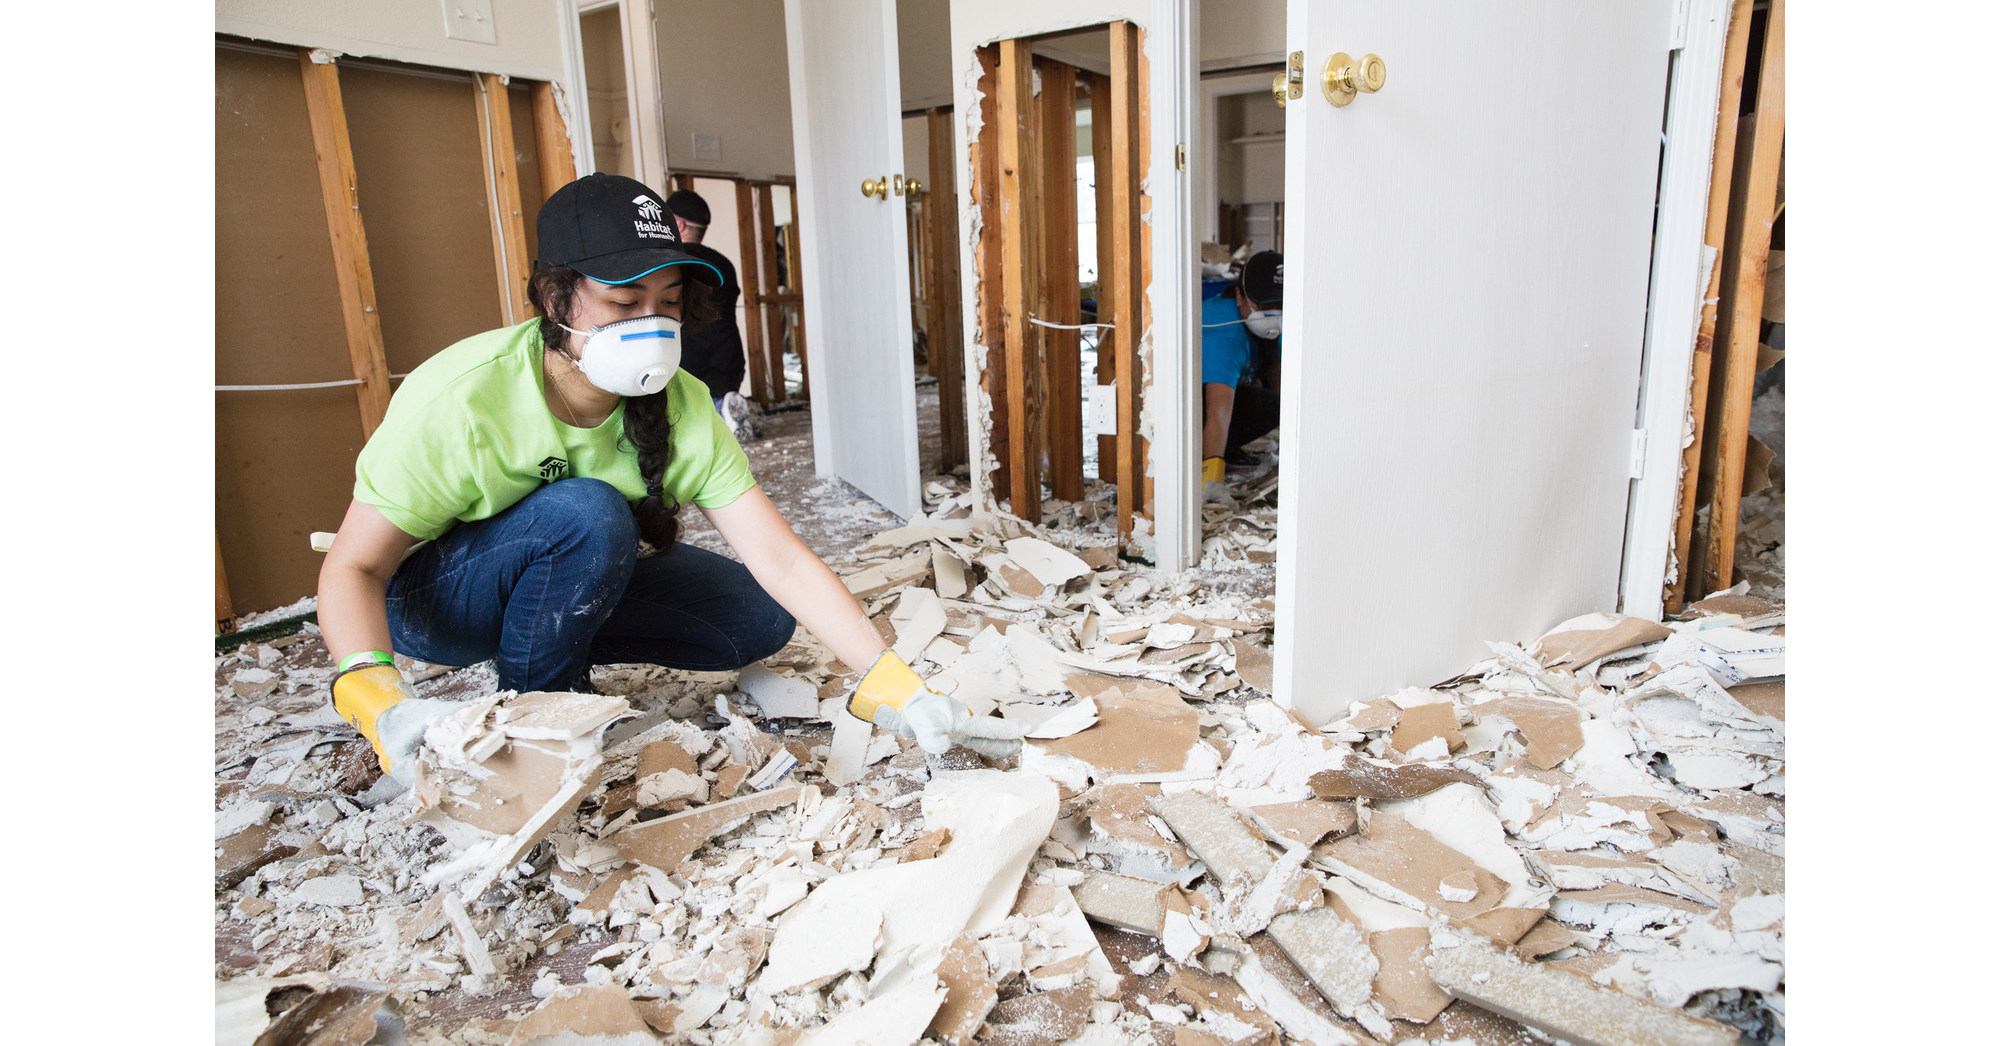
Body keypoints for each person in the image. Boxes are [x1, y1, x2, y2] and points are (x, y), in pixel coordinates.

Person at [317, 173, 1021, 784]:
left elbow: (777, 556)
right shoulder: (464, 399)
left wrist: (895, 686)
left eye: (670, 301)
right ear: (554, 297)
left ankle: (546, 634)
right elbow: (354, 567)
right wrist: (379, 700)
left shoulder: (681, 402)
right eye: (624, 304)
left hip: (563, 567)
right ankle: (541, 718)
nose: (651, 325)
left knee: (757, 617)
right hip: (438, 600)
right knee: (589, 513)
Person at [664, 189, 758, 440]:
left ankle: (720, 413)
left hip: (689, 357)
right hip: (729, 359)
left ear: (679, 224)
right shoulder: (723, 263)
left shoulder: (672, 264)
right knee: (714, 398)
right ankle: (726, 407)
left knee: (686, 411)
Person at [1199, 250, 1283, 501]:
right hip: (1180, 408)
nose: (1273, 314)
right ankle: (1207, 455)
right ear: (1239, 297)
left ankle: (1224, 449)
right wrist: (1210, 478)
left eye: (1280, 304)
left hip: (1223, 395)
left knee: (1275, 404)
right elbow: (1218, 409)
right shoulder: (1224, 329)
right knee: (1263, 404)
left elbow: (1282, 384)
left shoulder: (1280, 325)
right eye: (1264, 305)